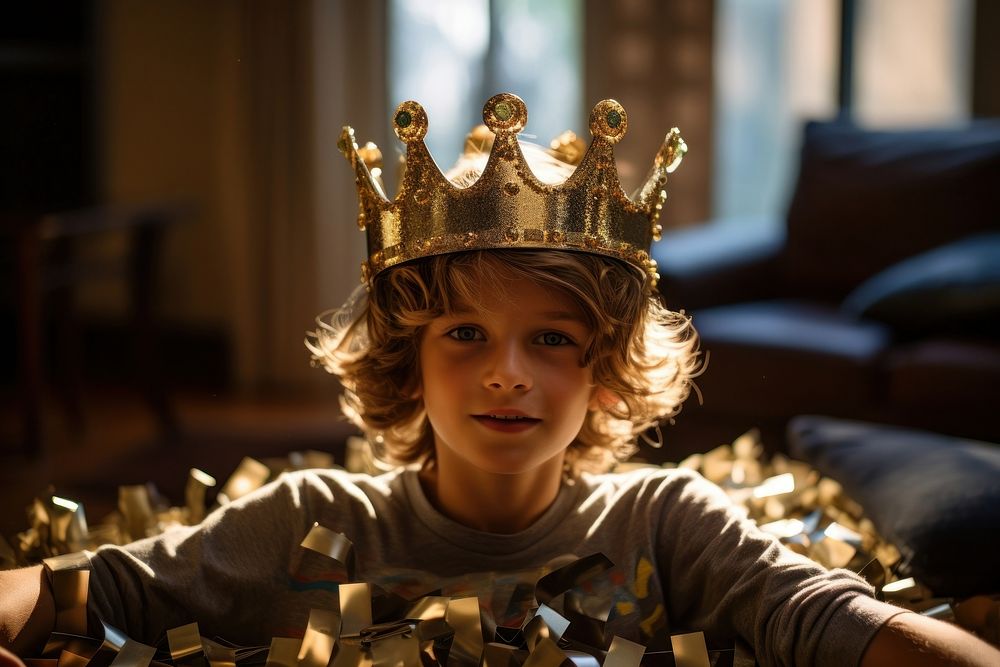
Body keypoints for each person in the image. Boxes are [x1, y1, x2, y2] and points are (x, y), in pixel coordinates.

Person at [2, 94, 998, 667]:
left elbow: (840, 621)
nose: (507, 375)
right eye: (464, 332)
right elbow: (75, 591)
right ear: (406, 359)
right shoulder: (311, 520)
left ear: (606, 371)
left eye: (554, 341)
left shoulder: (668, 517)